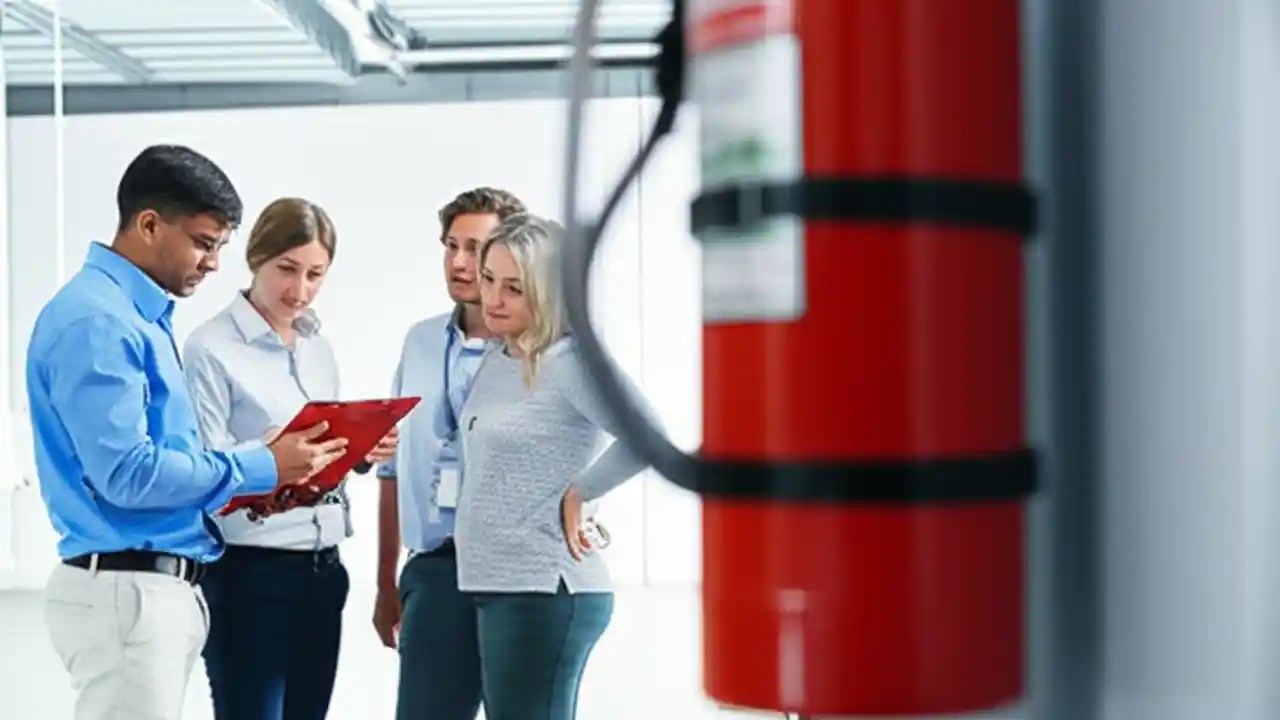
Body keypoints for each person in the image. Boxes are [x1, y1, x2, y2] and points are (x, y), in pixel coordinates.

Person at [27, 145, 348, 720]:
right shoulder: (101, 321)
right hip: (127, 587)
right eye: (204, 243)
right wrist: (264, 464)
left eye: (220, 246)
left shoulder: (136, 317)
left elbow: (167, 459)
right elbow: (128, 474)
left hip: (154, 586)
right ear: (149, 225)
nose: (214, 263)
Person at [182, 197, 396, 720]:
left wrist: (357, 452)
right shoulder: (210, 348)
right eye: (287, 269)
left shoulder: (316, 348)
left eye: (315, 275)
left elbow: (317, 460)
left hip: (323, 570)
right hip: (249, 573)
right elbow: (203, 468)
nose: (300, 290)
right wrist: (271, 453)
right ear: (256, 257)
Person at [456, 214, 656, 720]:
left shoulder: (568, 360)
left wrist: (581, 492)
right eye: (488, 279)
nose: (493, 299)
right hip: (498, 584)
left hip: (543, 586)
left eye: (514, 288)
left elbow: (645, 435)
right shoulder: (500, 356)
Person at [374, 187, 528, 720]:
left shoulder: (537, 348)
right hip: (435, 572)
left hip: (514, 577)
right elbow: (391, 469)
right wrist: (386, 582)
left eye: (476, 249)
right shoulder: (419, 341)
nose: (460, 263)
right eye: (451, 246)